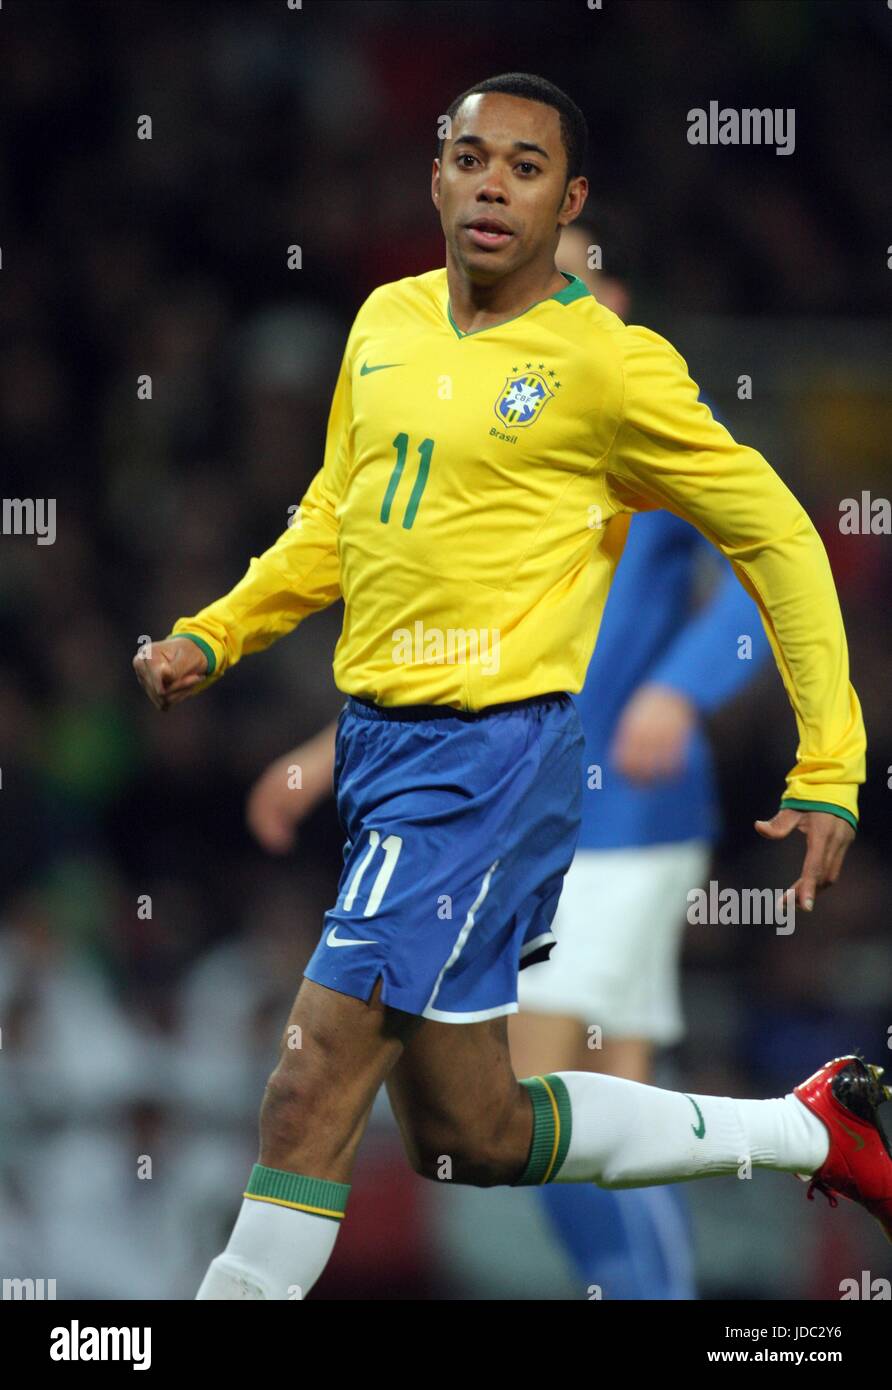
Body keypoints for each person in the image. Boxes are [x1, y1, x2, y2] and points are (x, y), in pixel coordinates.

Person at [133, 73, 886, 1303]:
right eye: (470, 158)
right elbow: (337, 517)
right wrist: (214, 638)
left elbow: (780, 538)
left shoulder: (609, 365)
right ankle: (815, 1131)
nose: (492, 183)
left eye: (525, 167)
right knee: (466, 1135)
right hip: (385, 752)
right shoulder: (381, 321)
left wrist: (828, 764)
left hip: (485, 760)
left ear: (567, 198)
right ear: (433, 175)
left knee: (309, 1079)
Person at [244, 219, 774, 1298]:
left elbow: (766, 589)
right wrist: (325, 748)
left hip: (623, 815)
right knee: (544, 1109)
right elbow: (453, 640)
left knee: (532, 1091)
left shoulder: (657, 414)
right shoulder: (507, 432)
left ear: (611, 293)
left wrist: (680, 688)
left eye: (557, 276)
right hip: (529, 805)